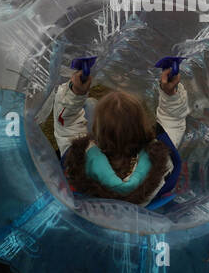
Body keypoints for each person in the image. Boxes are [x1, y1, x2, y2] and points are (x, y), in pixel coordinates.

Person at [54, 60, 190, 208]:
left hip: (97, 215)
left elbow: (67, 123)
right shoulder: (163, 159)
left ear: (97, 130)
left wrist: (76, 92)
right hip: (138, 216)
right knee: (91, 104)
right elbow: (172, 119)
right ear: (142, 126)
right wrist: (170, 93)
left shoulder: (77, 159)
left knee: (90, 104)